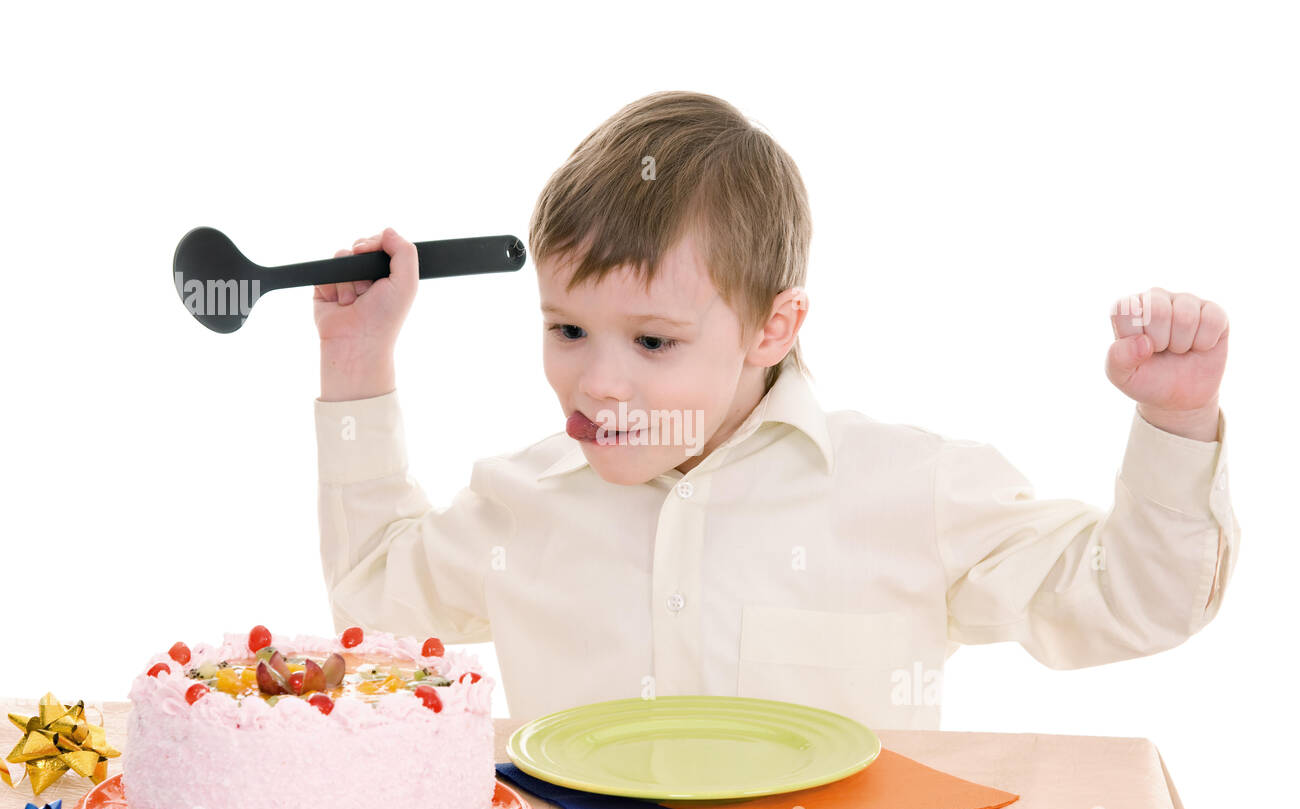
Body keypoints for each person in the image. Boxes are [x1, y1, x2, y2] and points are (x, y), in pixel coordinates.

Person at [312, 91, 1238, 729]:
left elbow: (1136, 602)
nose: (597, 382)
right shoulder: (523, 504)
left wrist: (1176, 422)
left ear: (772, 326)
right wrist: (358, 363)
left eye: (652, 341)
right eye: (566, 329)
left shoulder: (909, 489)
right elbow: (374, 596)